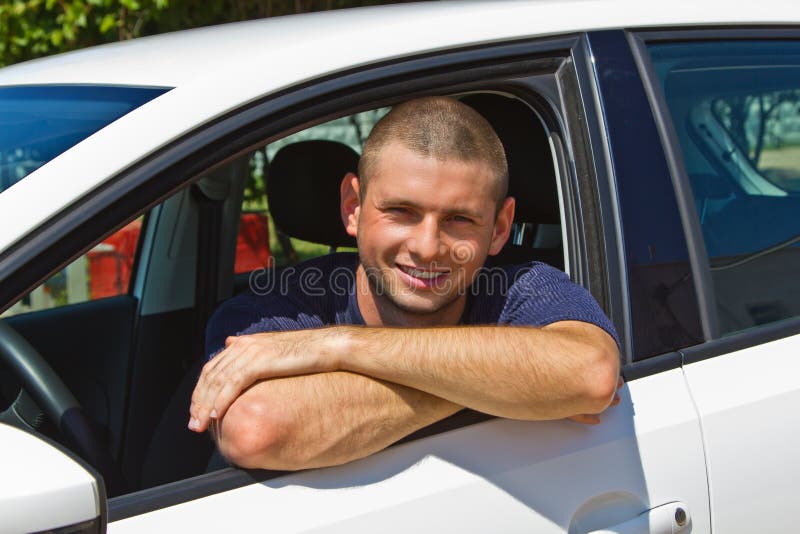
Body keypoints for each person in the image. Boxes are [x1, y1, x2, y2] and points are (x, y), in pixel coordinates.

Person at [188, 96, 621, 470]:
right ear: (353, 207)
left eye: (459, 219)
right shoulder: (275, 307)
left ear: (500, 227)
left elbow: (591, 374)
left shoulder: (519, 285)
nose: (428, 247)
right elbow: (256, 428)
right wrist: (510, 388)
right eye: (401, 211)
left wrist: (339, 347)